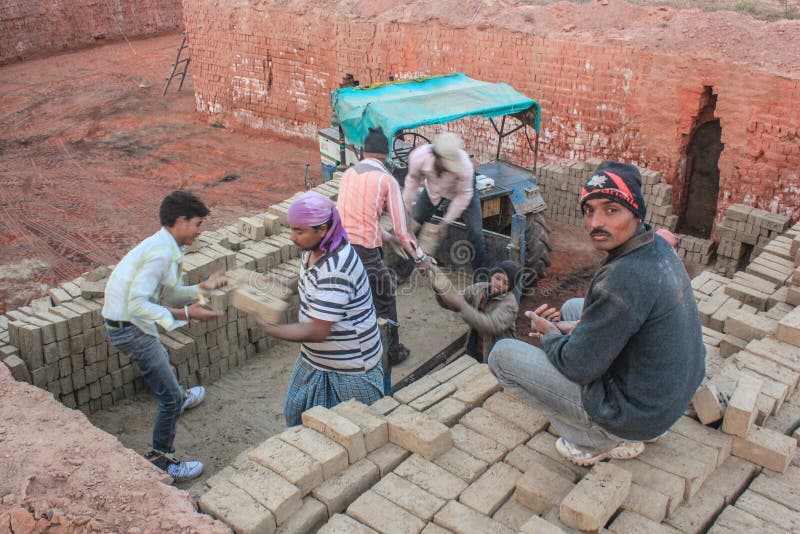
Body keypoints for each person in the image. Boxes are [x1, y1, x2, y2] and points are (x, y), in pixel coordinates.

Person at [488, 161, 705, 466]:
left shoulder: (624, 279)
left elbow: (578, 366)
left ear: (636, 212)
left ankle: (595, 438)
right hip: (668, 397)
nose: (595, 223)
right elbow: (624, 321)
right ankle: (625, 425)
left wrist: (551, 337)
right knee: (574, 309)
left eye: (611, 210)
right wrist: (570, 328)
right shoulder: (657, 245)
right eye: (589, 211)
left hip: (640, 415)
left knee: (501, 355)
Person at [102, 190, 227, 482]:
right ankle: (162, 458)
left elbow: (169, 294)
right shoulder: (160, 255)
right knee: (167, 395)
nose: (199, 231)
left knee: (162, 363)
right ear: (181, 221)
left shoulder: (166, 247)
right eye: (197, 224)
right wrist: (187, 314)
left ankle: (180, 397)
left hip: (133, 323)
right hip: (129, 329)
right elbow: (138, 304)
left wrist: (202, 288)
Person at [256, 191, 384, 426]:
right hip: (316, 362)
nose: (292, 237)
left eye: (299, 231)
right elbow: (307, 279)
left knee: (355, 431)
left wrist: (271, 328)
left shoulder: (337, 267)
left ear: (323, 229)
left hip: (349, 371)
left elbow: (318, 331)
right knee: (298, 419)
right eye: (291, 228)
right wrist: (284, 288)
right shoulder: (312, 250)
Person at [337, 127, 432, 394]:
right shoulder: (386, 179)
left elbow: (355, 216)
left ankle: (352, 346)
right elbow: (404, 229)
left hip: (341, 247)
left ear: (364, 152)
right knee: (385, 296)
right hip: (365, 251)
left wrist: (387, 238)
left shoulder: (348, 174)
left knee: (354, 297)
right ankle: (392, 351)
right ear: (385, 156)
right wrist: (421, 257)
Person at [400, 132, 486, 275]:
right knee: (412, 226)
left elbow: (463, 195)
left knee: (476, 233)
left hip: (462, 191)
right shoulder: (419, 157)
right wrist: (406, 207)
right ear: (436, 157)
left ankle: (481, 280)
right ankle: (402, 271)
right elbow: (412, 181)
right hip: (433, 189)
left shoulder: (465, 166)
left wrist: (446, 221)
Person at [435, 260, 520, 363]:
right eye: (498, 278)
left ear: (510, 287)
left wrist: (463, 306)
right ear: (492, 275)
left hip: (497, 356)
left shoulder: (510, 304)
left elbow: (491, 325)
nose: (499, 284)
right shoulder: (479, 288)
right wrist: (439, 289)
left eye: (505, 283)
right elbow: (454, 301)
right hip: (475, 346)